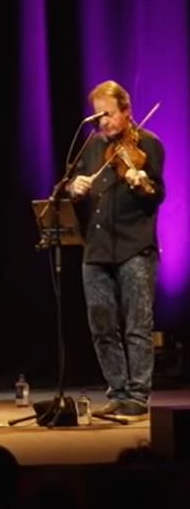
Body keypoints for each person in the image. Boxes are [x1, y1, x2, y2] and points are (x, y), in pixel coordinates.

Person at [67, 80, 165, 419]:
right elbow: (71, 183)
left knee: (138, 325)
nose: (103, 122)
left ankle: (138, 396)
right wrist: (73, 186)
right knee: (101, 324)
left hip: (135, 247)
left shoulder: (149, 144)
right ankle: (118, 390)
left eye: (108, 115)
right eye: (97, 117)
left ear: (126, 111)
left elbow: (158, 194)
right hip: (95, 248)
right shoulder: (91, 147)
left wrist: (141, 183)